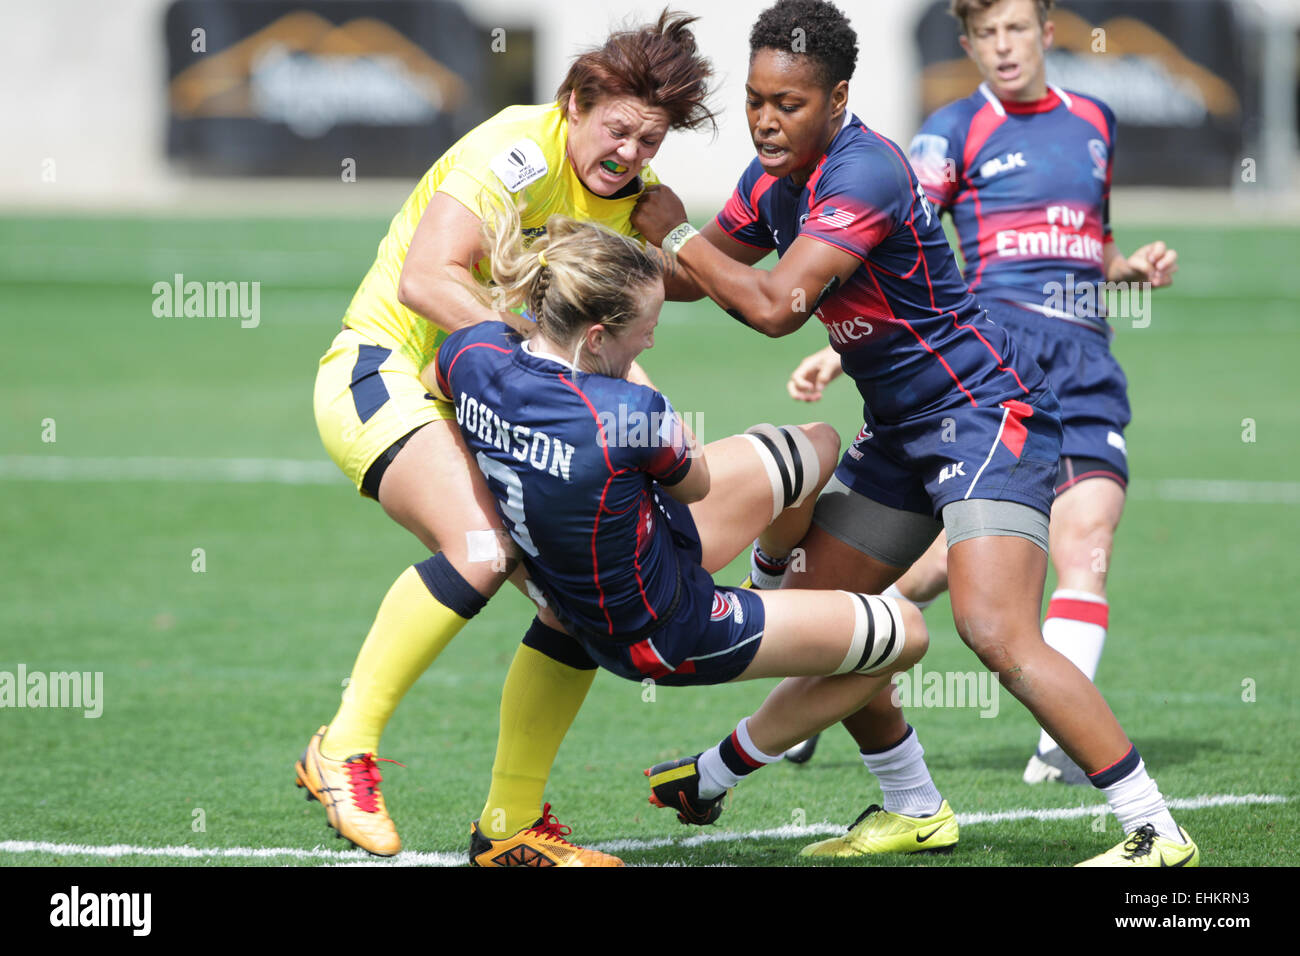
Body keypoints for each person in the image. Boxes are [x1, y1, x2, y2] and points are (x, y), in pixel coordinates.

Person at [630, 0, 1197, 866]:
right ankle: (913, 805)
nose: (765, 119)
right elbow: (693, 278)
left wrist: (670, 227)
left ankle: (1154, 828)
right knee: (832, 622)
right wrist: (592, 241)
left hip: (981, 414)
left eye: (787, 103)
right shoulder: (769, 182)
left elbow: (778, 306)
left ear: (839, 97)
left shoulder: (866, 172)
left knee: (996, 633)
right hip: (899, 430)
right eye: (754, 99)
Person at [297, 10, 716, 864]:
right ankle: (343, 746)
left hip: (475, 407)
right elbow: (426, 278)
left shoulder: (628, 198)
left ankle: (509, 829)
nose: (633, 153)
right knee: (481, 545)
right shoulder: (514, 152)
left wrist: (672, 233)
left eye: (653, 140)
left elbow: (692, 289)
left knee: (578, 597)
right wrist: (547, 367)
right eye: (620, 130)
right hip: (381, 375)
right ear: (574, 103)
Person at [437, 201, 929, 862]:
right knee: (905, 636)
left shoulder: (473, 353)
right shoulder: (627, 408)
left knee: (814, 444)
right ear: (595, 337)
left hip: (620, 552)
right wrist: (635, 387)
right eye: (645, 326)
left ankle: (771, 584)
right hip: (665, 630)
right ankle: (715, 771)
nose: (651, 340)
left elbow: (432, 387)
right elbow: (693, 479)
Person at [784, 0, 1179, 788]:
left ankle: (1061, 748)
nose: (1003, 47)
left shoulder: (1095, 120)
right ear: (968, 44)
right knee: (932, 571)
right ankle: (820, 683)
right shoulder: (950, 130)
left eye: (1016, 31)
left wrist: (1127, 268)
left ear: (1046, 35)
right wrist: (841, 347)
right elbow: (892, 246)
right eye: (987, 35)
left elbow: (1090, 239)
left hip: (1087, 361)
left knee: (1087, 540)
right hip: (995, 363)